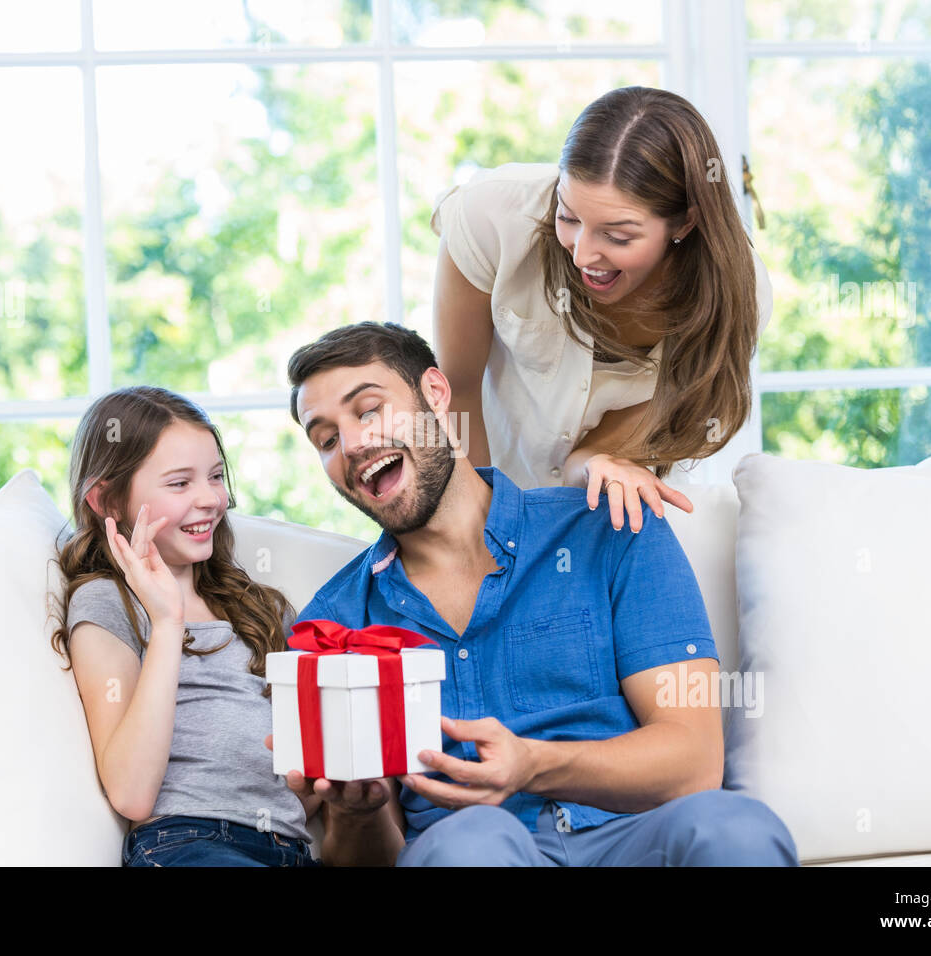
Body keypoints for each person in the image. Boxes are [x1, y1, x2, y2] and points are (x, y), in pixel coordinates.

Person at [280, 322, 797, 866]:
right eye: (327, 439)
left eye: (368, 410)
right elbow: (371, 856)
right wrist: (359, 813)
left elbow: (693, 760)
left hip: (631, 841)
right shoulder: (334, 625)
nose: (354, 444)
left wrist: (533, 763)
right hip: (469, 851)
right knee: (472, 843)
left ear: (435, 394)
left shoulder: (609, 526)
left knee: (735, 828)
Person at [431, 85, 774, 532]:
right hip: (481, 493)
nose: (582, 255)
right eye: (568, 217)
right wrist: (478, 528)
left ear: (685, 222)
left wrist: (603, 468)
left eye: (618, 236)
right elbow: (456, 390)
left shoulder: (733, 299)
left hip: (595, 521)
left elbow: (589, 463)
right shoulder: (492, 215)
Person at [50, 385, 320, 867]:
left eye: (216, 476)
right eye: (179, 484)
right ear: (106, 501)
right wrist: (168, 621)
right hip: (189, 843)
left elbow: (299, 787)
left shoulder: (262, 610)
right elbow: (132, 793)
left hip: (289, 849)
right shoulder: (109, 603)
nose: (210, 499)